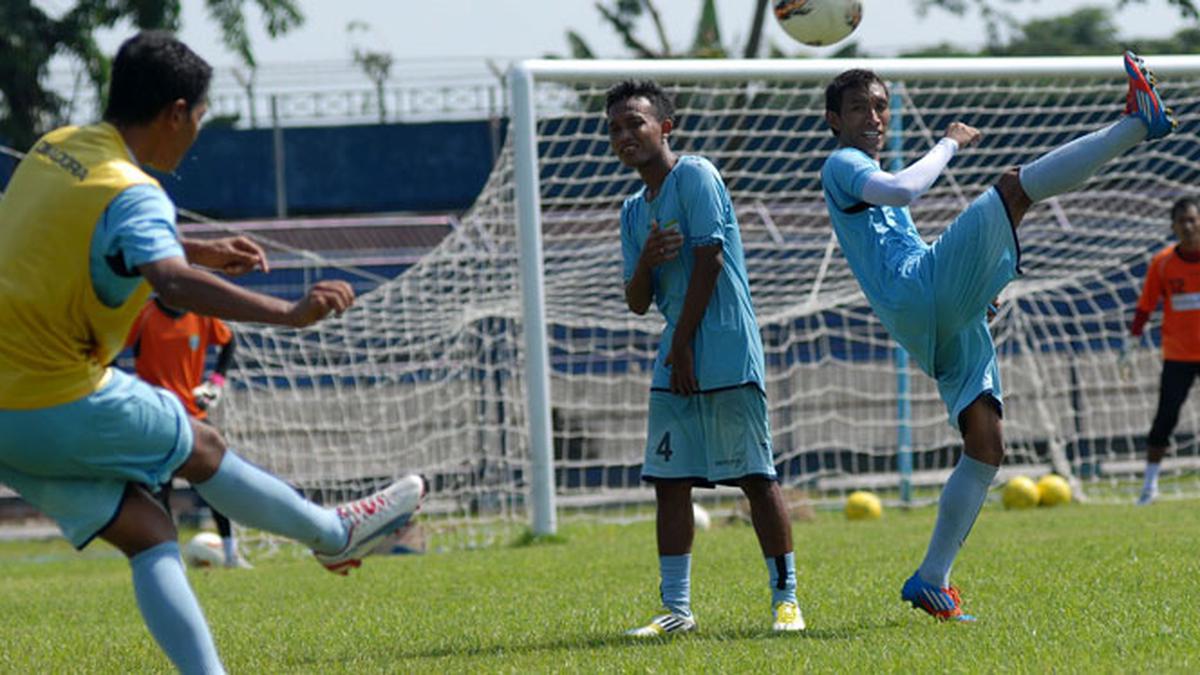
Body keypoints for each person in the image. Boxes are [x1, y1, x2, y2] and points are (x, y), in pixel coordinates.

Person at [0, 32, 424, 674]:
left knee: (148, 531)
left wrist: (189, 246)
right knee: (203, 449)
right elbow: (167, 283)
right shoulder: (134, 191)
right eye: (199, 116)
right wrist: (288, 312)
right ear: (175, 112)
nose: (197, 130)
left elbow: (76, 233)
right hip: (51, 394)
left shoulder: (55, 148)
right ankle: (334, 535)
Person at [819, 52, 1175, 621]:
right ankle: (1138, 122)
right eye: (859, 107)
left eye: (880, 106)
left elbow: (896, 225)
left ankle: (932, 579)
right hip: (920, 293)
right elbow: (904, 190)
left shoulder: (864, 171)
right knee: (1013, 188)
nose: (873, 117)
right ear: (834, 120)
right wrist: (950, 142)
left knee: (986, 443)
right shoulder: (842, 164)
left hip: (927, 311)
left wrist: (973, 290)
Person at [607, 79, 804, 636]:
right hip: (678, 350)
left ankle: (786, 601)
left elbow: (710, 260)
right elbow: (637, 301)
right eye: (615, 129)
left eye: (635, 124)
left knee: (754, 476)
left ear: (664, 127)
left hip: (723, 346)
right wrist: (645, 261)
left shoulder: (696, 175)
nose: (625, 135)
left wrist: (683, 344)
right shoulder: (630, 211)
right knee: (670, 482)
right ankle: (676, 611)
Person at [126, 296, 247, 567]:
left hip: (195, 416)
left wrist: (215, 382)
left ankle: (231, 554)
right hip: (156, 418)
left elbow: (229, 342)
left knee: (217, 484)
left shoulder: (201, 313)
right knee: (160, 492)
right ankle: (170, 559)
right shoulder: (142, 314)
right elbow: (108, 351)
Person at [1126, 196, 1200, 505]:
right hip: (1178, 354)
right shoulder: (1163, 263)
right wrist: (1132, 342)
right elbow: (1145, 307)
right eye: (1182, 221)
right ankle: (1150, 485)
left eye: (1193, 219)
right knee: (1165, 418)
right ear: (1173, 227)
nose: (1189, 226)